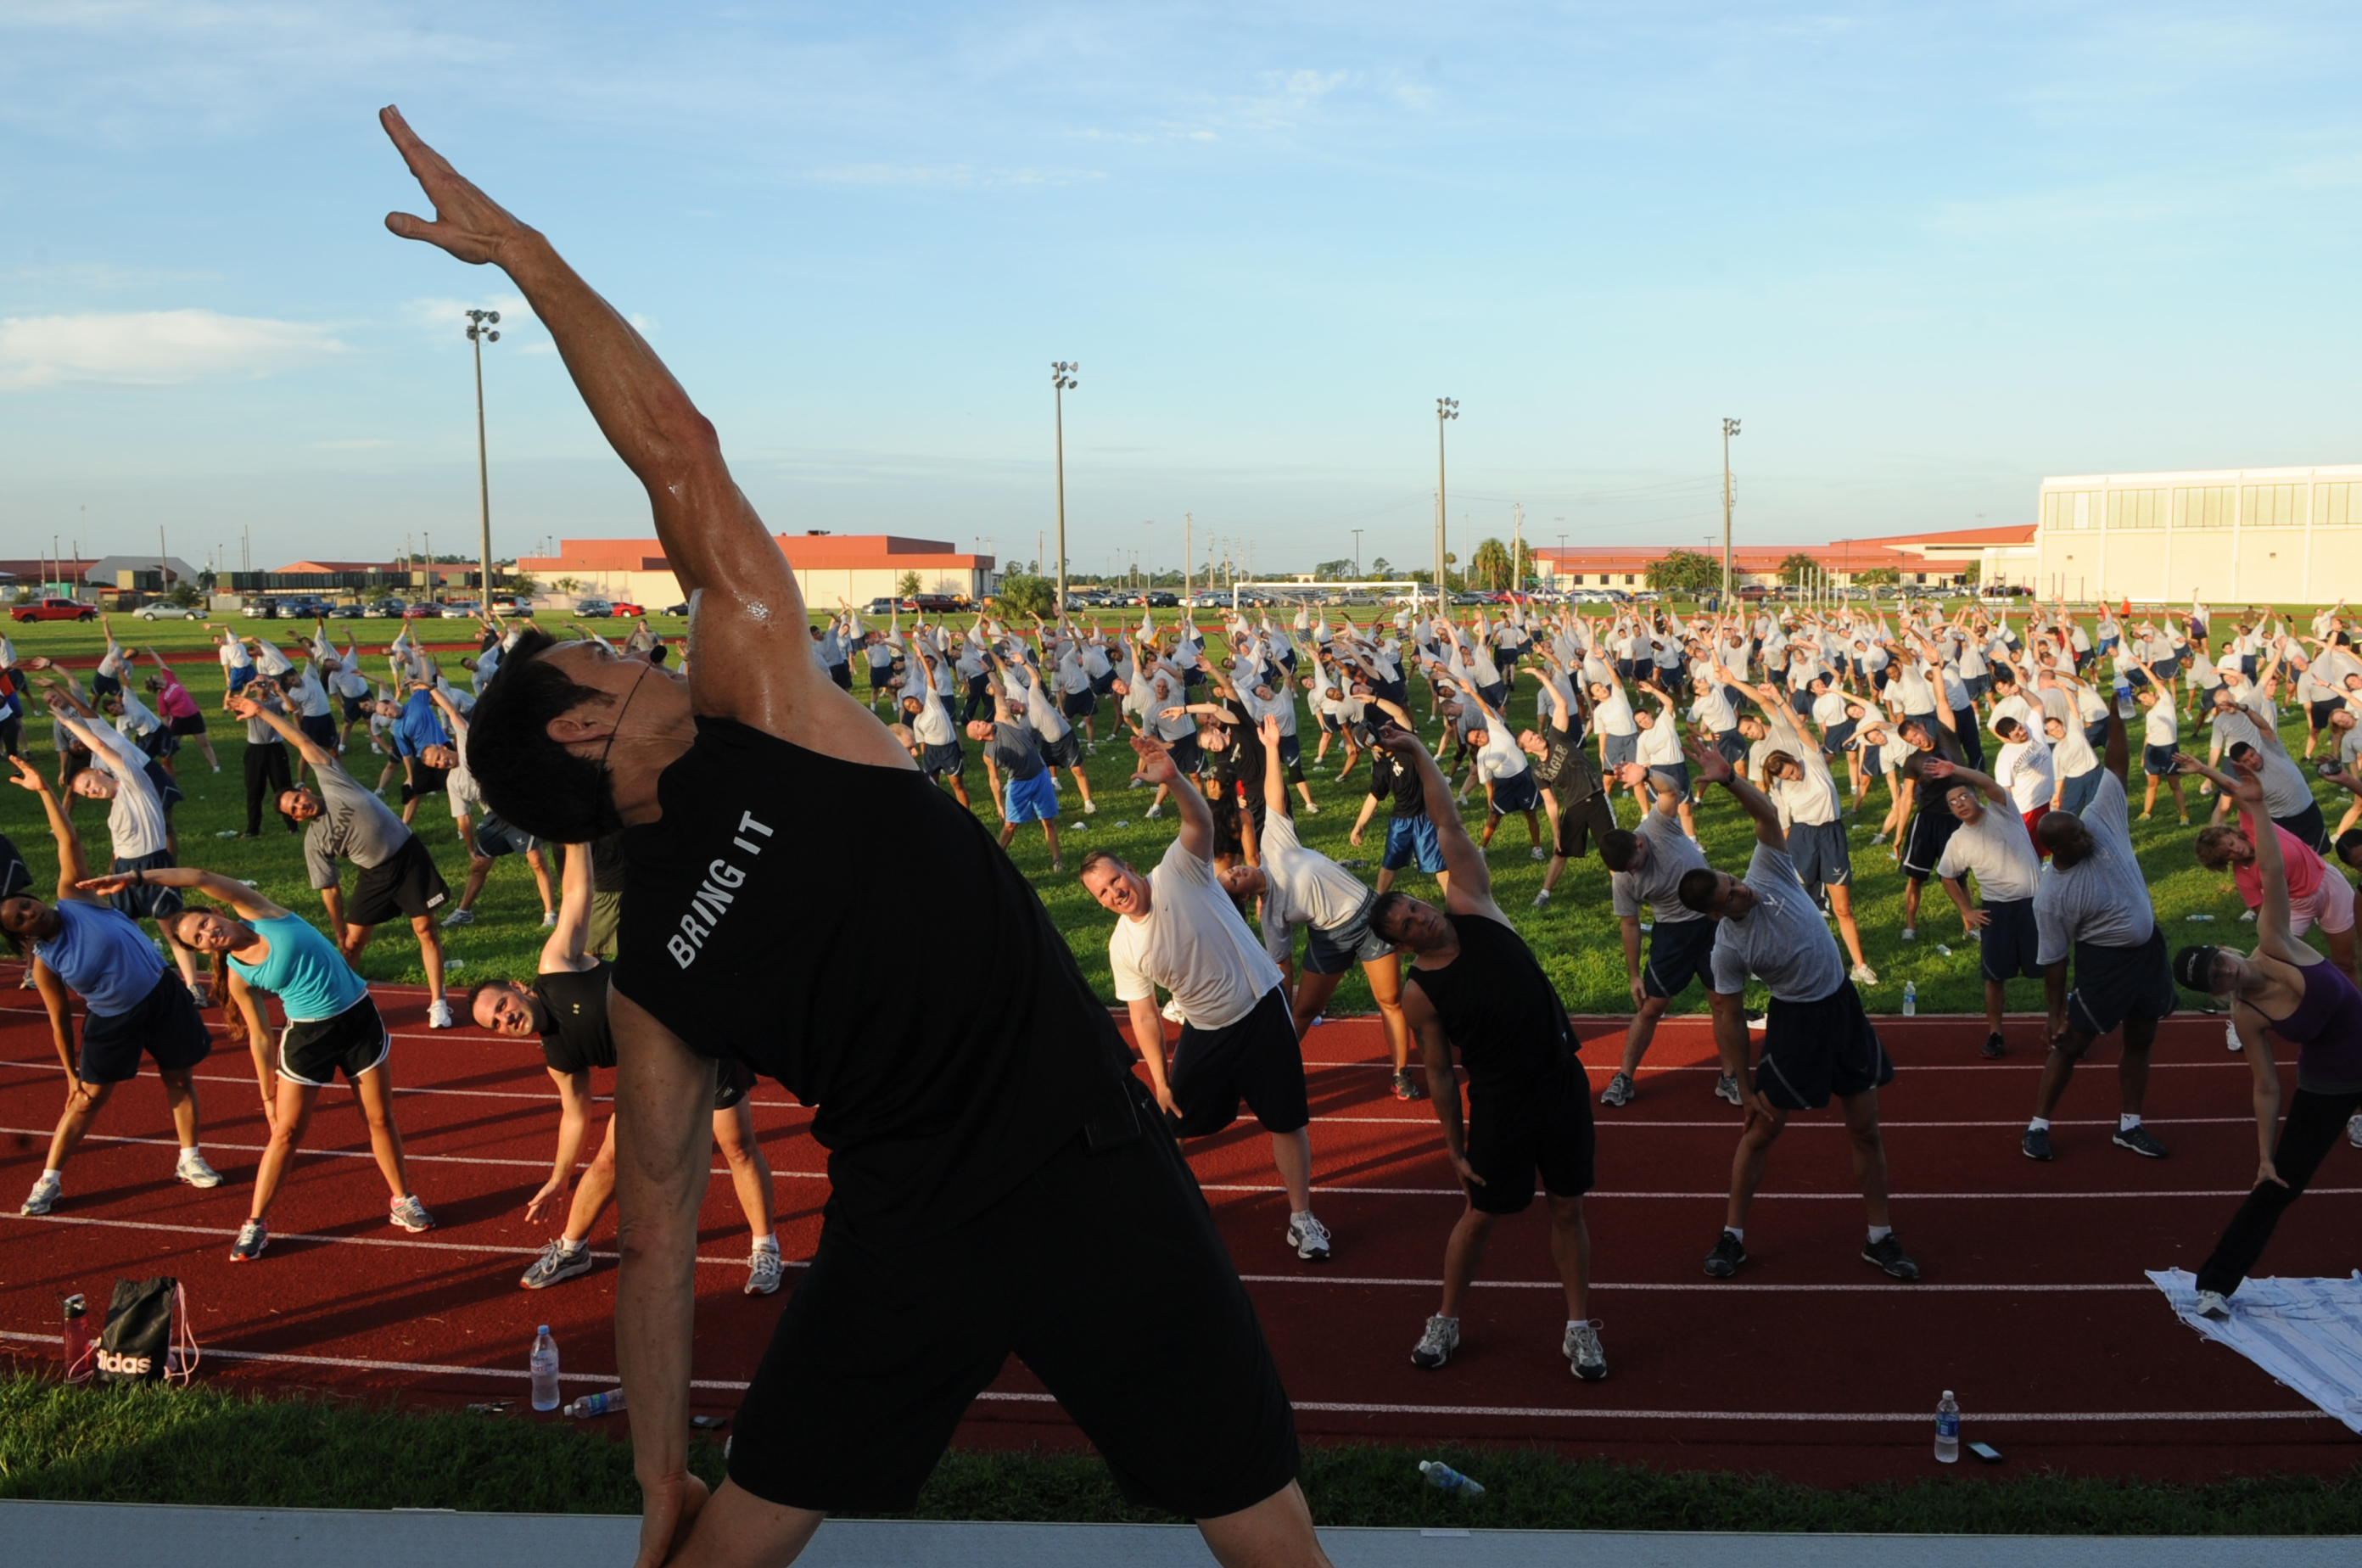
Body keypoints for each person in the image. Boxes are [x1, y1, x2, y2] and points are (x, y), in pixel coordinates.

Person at [382, 108, 1329, 1566]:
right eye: (597, 657)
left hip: (910, 1234)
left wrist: (654, 1474)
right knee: (1268, 1541)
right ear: (579, 728)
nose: (626, 650)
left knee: (721, 1550)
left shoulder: (647, 978)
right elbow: (679, 453)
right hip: (1092, 1175)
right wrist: (526, 254)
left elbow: (651, 1229)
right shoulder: (770, 711)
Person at [1365, 725, 1604, 1381]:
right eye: (1408, 924)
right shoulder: (1420, 995)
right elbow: (1439, 1073)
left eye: (1415, 905)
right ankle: (1445, 1318)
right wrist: (1451, 1145)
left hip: (1560, 1081)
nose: (1421, 917)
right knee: (1480, 1216)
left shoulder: (1473, 904)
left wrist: (1416, 752)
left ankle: (1579, 1327)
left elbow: (1447, 823)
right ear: (1403, 945)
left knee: (1567, 1206)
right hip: (1500, 1102)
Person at [469, 844, 781, 1294]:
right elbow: (575, 1116)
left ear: (518, 988)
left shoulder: (557, 966)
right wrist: (558, 1179)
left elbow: (577, 893)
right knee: (610, 1159)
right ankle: (572, 1249)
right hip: (649, 1071)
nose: (505, 1019)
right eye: (495, 1024)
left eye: (502, 1006)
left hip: (692, 1033)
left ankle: (765, 1249)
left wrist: (577, 837)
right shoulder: (559, 1056)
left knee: (737, 1147)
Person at [96, 864, 436, 1258]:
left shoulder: (262, 912)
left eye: (204, 923)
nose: (208, 933)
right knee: (286, 1134)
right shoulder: (240, 974)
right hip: (309, 1038)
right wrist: (268, 1098)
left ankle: (402, 1200)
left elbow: (199, 877)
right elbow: (260, 1037)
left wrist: (136, 878)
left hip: (360, 1020)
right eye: (199, 939)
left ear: (217, 912)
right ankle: (255, 1223)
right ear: (202, 951)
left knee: (380, 1118)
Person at [1676, 738, 1920, 1284]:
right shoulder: (1728, 950)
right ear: (1717, 914)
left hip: (1842, 1008)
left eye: (1732, 881)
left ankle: (1879, 1237)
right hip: (1795, 1024)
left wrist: (1731, 778)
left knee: (1866, 1129)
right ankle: (1733, 1236)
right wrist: (1741, 1086)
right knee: (1762, 1130)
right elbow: (1729, 1018)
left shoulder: (1767, 873)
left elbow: (1766, 816)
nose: (1741, 891)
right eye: (1730, 896)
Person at [1083, 730, 1331, 1262]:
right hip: (1206, 1029)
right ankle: (1175, 1205)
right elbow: (1145, 1016)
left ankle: (1301, 1218)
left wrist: (1173, 779)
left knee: (1287, 1119)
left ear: (1129, 868)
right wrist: (1160, 1076)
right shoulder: (1123, 946)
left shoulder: (1178, 870)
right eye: (1102, 893)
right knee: (1171, 1119)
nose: (1114, 894)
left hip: (1261, 1006)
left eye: (1113, 880)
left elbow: (1197, 821)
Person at [2177, 756, 2362, 1321]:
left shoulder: (2275, 940)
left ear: (2228, 951)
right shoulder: (2248, 1016)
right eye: (2216, 980)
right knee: (2280, 1183)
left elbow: (2277, 873)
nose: (2226, 972)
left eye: (2220, 962)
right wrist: (2262, 1156)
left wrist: (2253, 803)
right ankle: (2215, 1283)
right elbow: (2265, 1089)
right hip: (2329, 1085)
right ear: (2215, 994)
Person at [6, 759, 220, 1216]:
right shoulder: (46, 962)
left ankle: (189, 1157)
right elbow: (60, 1019)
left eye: (26, 904)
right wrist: (68, 1073)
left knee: (179, 1076)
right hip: (112, 1020)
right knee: (86, 1101)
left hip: (162, 995)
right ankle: (49, 1180)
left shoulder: (74, 894)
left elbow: (69, 839)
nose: (30, 912)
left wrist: (45, 789)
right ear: (22, 936)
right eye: (21, 919)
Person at [1224, 716, 1419, 1101]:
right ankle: (1275, 1069)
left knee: (1390, 1001)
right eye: (1234, 880)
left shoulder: (1274, 845)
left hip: (1370, 916)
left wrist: (1271, 748)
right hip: (1330, 939)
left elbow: (1274, 796)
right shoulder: (1270, 912)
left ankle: (1401, 1073)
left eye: (1233, 870)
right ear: (1244, 896)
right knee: (1302, 1011)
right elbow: (1282, 963)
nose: (1238, 870)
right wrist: (1276, 995)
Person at [241, 693, 456, 1028]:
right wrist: (339, 931)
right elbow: (330, 889)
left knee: (425, 929)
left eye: (298, 799)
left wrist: (261, 713)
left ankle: (438, 1003)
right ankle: (334, 1004)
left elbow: (302, 740)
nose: (300, 806)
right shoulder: (314, 841)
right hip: (375, 875)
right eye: (293, 810)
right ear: (295, 819)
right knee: (352, 945)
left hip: (408, 856)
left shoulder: (333, 780)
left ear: (307, 789)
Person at [2023, 706, 2175, 1162]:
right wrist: (2053, 1013)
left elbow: (2118, 762)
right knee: (2071, 1044)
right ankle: (2038, 1125)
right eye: (2078, 838)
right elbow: (2054, 957)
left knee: (2142, 1037)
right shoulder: (2052, 896)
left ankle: (2129, 1124)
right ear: (2058, 848)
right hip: (2105, 966)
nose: (2089, 838)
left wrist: (2115, 714)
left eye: (2084, 830)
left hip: (2148, 952)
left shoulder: (2100, 820)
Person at [1597, 765, 1732, 1108]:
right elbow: (1629, 924)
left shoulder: (1656, 826)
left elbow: (1670, 790)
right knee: (1651, 1007)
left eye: (1635, 864)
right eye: (1626, 870)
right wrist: (1633, 975)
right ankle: (1624, 1077)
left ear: (1640, 843)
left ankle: (1730, 1077)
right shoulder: (1624, 878)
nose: (1633, 872)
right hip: (1673, 933)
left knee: (1722, 1001)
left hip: (1712, 921)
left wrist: (1646, 774)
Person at [1926, 760, 2045, 1059]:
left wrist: (1954, 771)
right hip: (1996, 911)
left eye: (1964, 797)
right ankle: (1995, 1033)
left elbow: (1989, 782)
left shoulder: (2003, 812)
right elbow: (1947, 875)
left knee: (2050, 969)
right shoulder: (1959, 840)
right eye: (1953, 803)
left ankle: (2059, 1024)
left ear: (1976, 797)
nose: (1960, 805)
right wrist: (1966, 911)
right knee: (1994, 977)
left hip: (2034, 903)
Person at [968, 681, 1062, 871]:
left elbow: (1000, 695)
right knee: (1010, 825)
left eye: (980, 721)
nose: (982, 722)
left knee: (1049, 821)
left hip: (1041, 776)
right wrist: (999, 804)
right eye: (978, 725)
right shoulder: (989, 754)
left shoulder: (1002, 719)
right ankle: (995, 859)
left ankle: (1057, 861)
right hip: (1019, 785)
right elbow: (994, 779)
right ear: (978, 737)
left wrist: (989, 672)